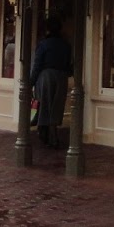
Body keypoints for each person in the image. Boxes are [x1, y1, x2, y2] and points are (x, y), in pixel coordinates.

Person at [29, 20, 73, 149]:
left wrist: (31, 81)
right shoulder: (66, 45)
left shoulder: (43, 44)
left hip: (46, 76)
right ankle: (52, 135)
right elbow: (68, 65)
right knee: (56, 106)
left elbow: (37, 65)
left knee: (44, 105)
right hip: (61, 77)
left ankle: (45, 132)